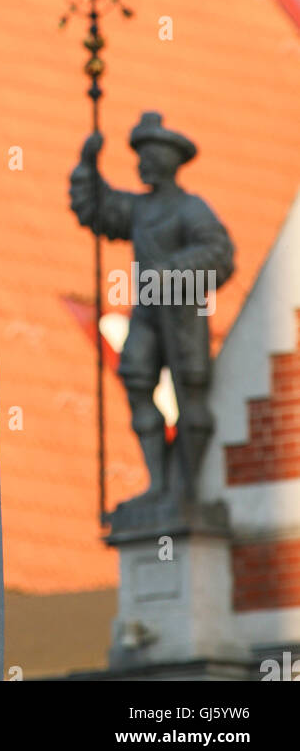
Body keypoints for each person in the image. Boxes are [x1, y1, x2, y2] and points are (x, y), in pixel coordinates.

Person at [69, 112, 234, 502]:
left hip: (182, 312)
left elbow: (218, 253)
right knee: (137, 378)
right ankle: (159, 483)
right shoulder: (141, 209)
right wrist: (88, 164)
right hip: (147, 311)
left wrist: (173, 270)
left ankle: (187, 486)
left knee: (189, 390)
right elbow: (97, 208)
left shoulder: (191, 209)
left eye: (147, 154)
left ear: (165, 160)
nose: (140, 162)